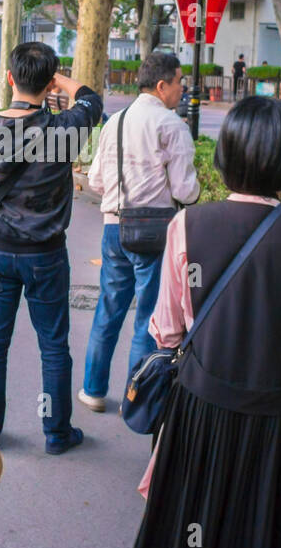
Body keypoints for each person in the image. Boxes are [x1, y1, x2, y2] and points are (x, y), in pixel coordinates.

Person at [126, 97, 281, 548]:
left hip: (202, 408)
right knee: (273, 528)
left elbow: (166, 330)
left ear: (224, 156)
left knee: (196, 527)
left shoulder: (188, 224)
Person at [0, 42, 103, 454]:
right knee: (53, 346)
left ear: (9, 78)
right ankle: (56, 433)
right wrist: (60, 80)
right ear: (48, 85)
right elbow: (91, 100)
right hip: (45, 254)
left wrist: (41, 83)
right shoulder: (65, 129)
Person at [79, 52, 200, 412]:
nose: (182, 89)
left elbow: (96, 179)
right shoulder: (172, 126)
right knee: (148, 317)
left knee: (108, 309)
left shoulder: (114, 122)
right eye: (179, 82)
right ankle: (136, 399)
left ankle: (92, 390)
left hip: (114, 227)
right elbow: (185, 191)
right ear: (162, 86)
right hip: (154, 232)